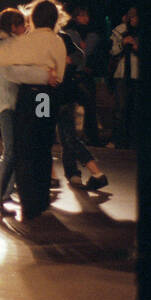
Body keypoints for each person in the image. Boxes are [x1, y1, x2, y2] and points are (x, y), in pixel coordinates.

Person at [0, 0, 69, 223]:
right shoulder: (58, 42)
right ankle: (42, 199)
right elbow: (59, 74)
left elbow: (2, 62)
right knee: (43, 145)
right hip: (48, 96)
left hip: (30, 96)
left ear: (33, 17)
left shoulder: (29, 40)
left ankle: (30, 203)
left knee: (25, 148)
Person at [0, 9, 51, 217]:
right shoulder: (3, 42)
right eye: (22, 25)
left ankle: (5, 193)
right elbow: (14, 70)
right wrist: (43, 75)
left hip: (5, 101)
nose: (25, 29)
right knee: (10, 151)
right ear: (13, 26)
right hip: (5, 102)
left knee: (15, 150)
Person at [57, 27, 110, 191]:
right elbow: (79, 56)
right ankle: (73, 173)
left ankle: (94, 173)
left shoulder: (41, 38)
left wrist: (68, 61)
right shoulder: (61, 37)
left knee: (43, 132)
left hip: (44, 95)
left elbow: (78, 56)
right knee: (67, 135)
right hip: (63, 93)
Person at [62, 4, 103, 145]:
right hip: (72, 73)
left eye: (86, 15)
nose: (85, 18)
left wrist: (91, 67)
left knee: (90, 106)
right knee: (69, 107)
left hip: (87, 74)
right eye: (82, 15)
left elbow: (98, 54)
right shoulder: (68, 34)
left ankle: (91, 136)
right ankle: (70, 135)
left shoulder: (94, 35)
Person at [109, 6, 139, 148]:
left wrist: (136, 46)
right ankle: (118, 140)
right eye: (131, 16)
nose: (134, 19)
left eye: (136, 16)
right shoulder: (120, 31)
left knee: (135, 109)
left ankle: (133, 141)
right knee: (120, 108)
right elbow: (113, 51)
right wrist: (123, 43)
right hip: (122, 74)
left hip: (137, 75)